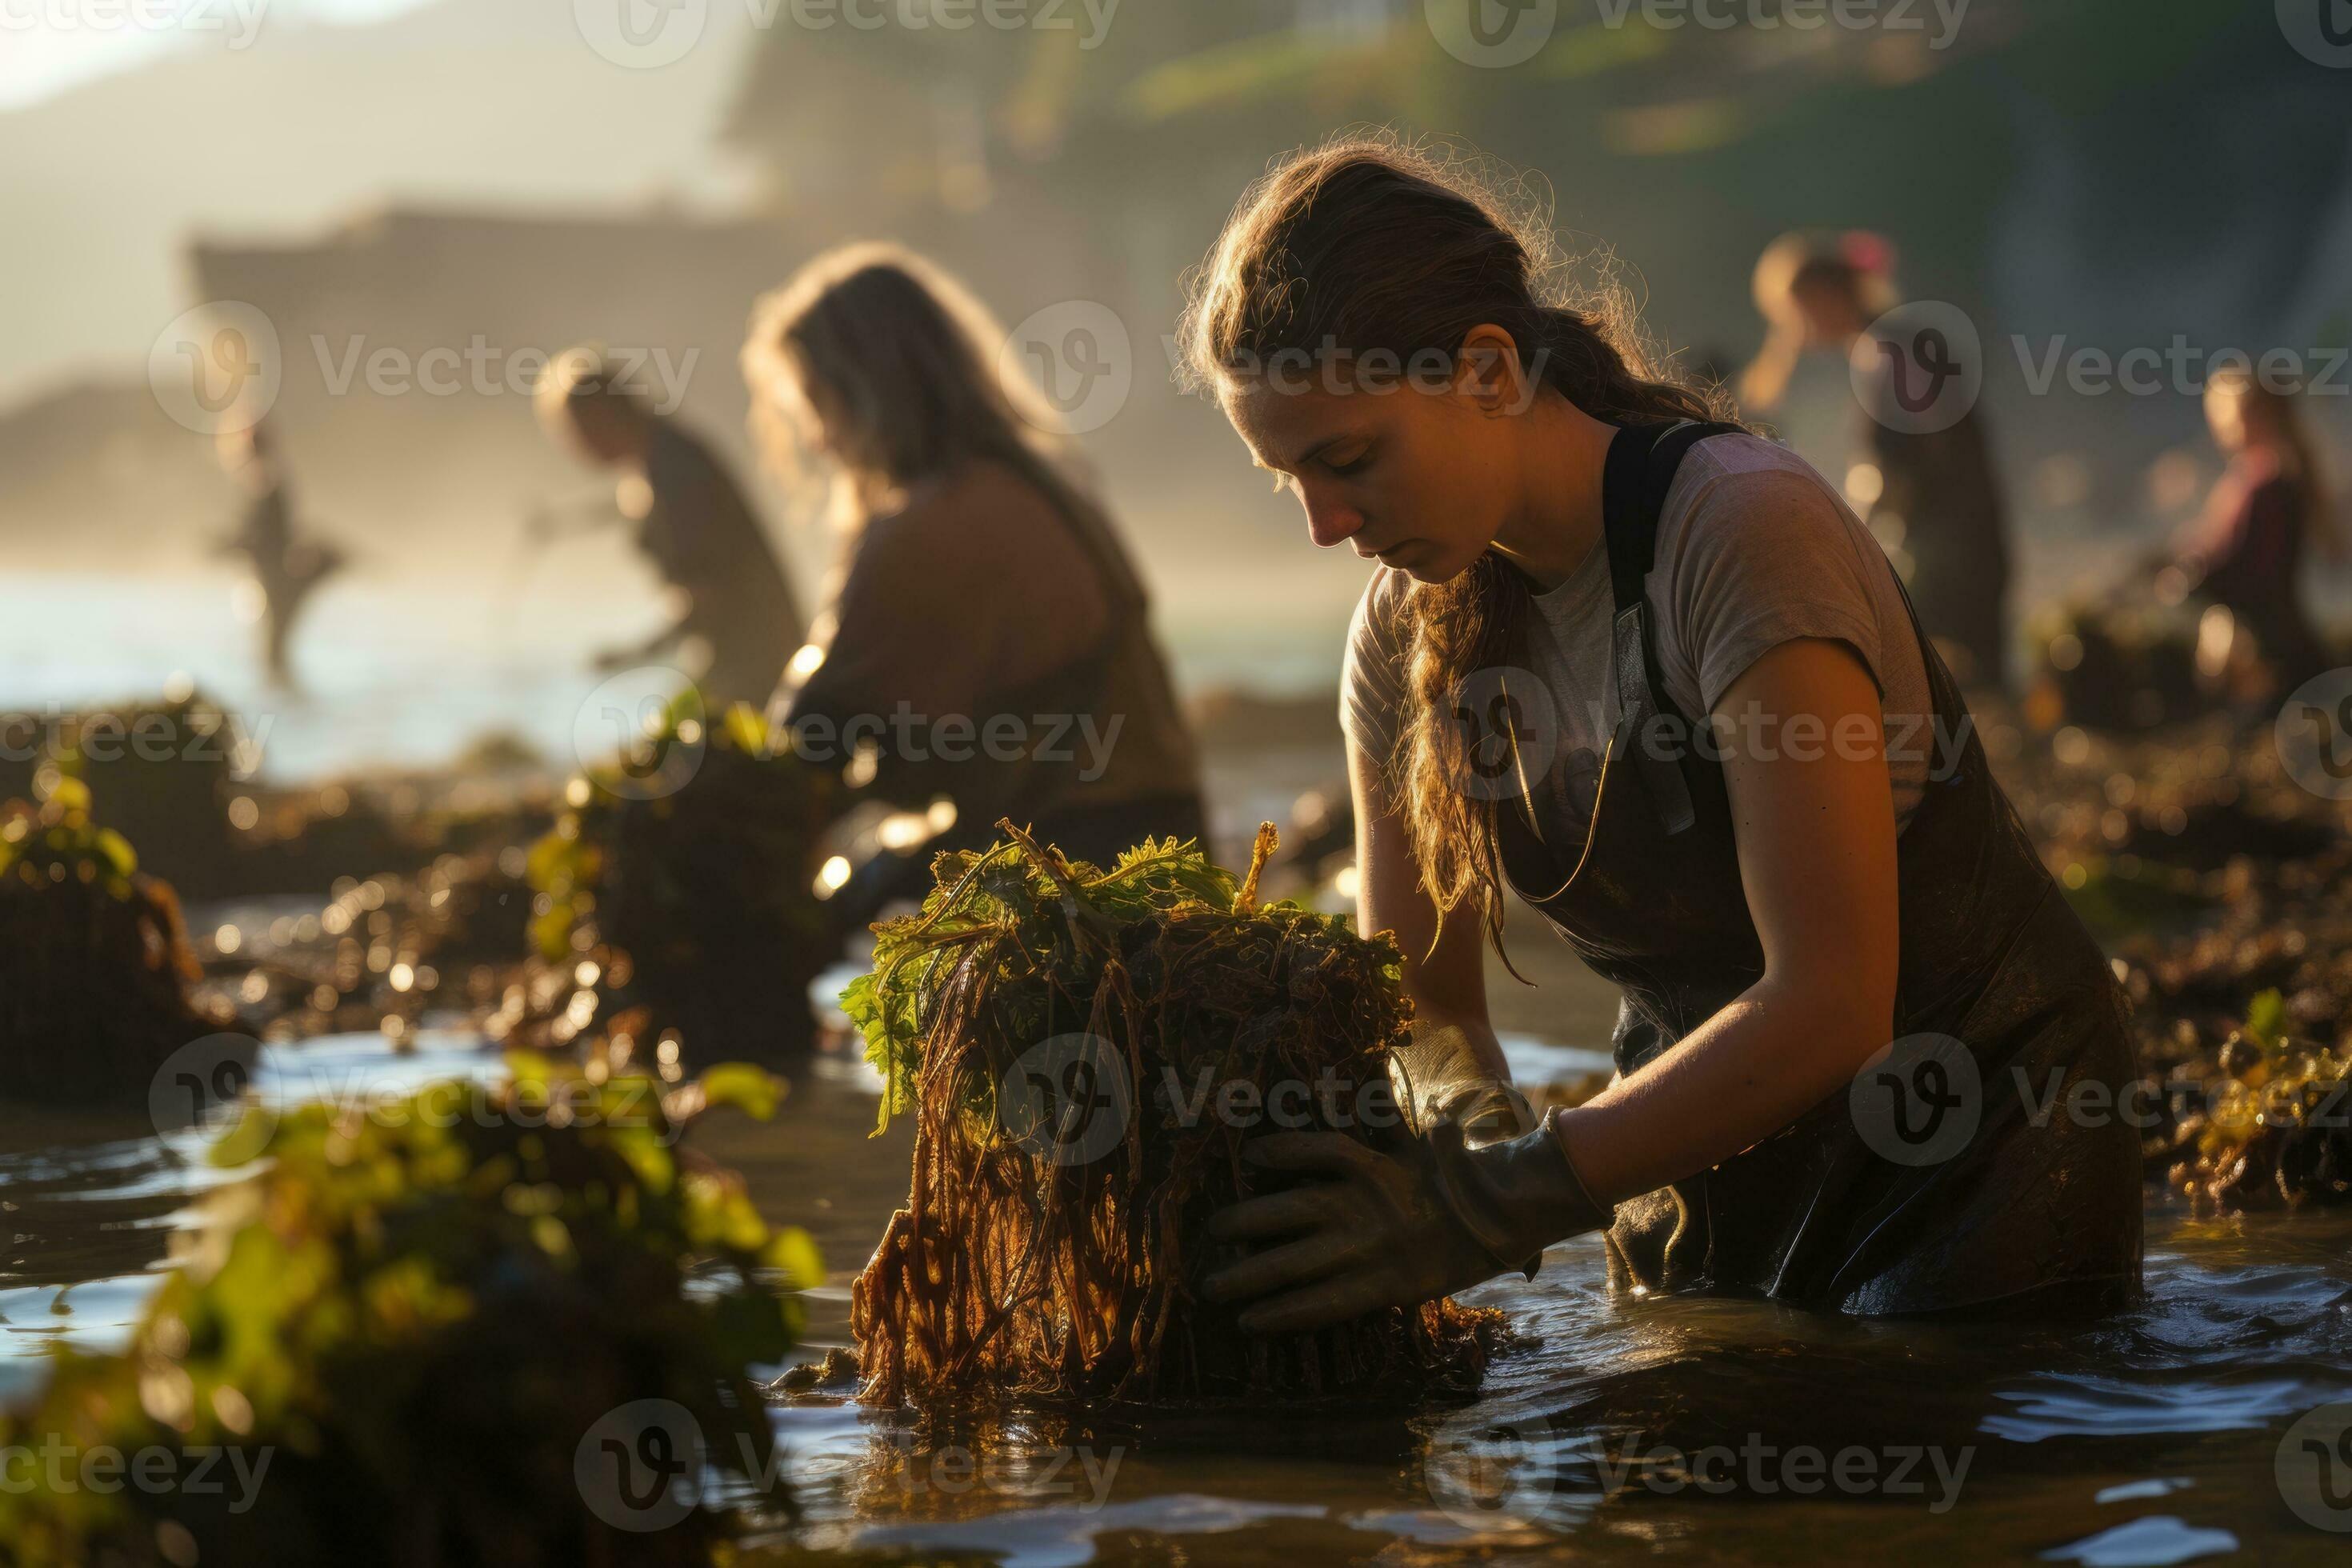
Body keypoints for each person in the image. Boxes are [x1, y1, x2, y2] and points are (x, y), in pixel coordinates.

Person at [1178, 138, 2142, 1333]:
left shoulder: (1737, 532)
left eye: (1350, 459)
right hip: (1693, 1171)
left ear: (1486, 371)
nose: (1325, 526)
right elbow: (1424, 1000)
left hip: (1973, 1165)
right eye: (1289, 481)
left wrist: (1498, 1205)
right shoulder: (1397, 641)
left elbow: (1833, 999)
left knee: (1909, 1494)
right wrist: (1465, 1149)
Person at [742, 244, 1206, 907]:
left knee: (832, 917)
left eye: (816, 402)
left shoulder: (926, 525)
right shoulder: (1050, 481)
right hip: (1168, 840)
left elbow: (810, 731)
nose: (816, 438)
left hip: (1083, 860)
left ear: (865, 392)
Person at [1743, 234, 2014, 694]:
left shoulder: (1885, 350)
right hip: (1965, 535)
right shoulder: (1889, 342)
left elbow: (1908, 460)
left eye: (1794, 313)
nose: (1793, 330)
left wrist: (1850, 537)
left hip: (1952, 549)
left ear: (1822, 297)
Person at [532, 348, 806, 710]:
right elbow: (628, 505)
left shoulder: (676, 470)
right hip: (745, 649)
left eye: (573, 434)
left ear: (599, 416)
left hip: (755, 657)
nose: (575, 450)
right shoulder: (661, 455)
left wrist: (632, 654)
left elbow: (705, 595)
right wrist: (563, 523)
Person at [2165, 367, 2339, 692]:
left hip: (2268, 652)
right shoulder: (2267, 479)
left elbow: (2255, 570)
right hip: (2281, 639)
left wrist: (2192, 578)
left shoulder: (2267, 487)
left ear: (2252, 415)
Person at [214, 418, 344, 686]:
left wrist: (233, 544)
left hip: (278, 579)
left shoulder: (269, 487)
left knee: (274, 650)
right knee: (274, 651)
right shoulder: (268, 485)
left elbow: (270, 536)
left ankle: (283, 704)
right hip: (273, 577)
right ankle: (285, 702)